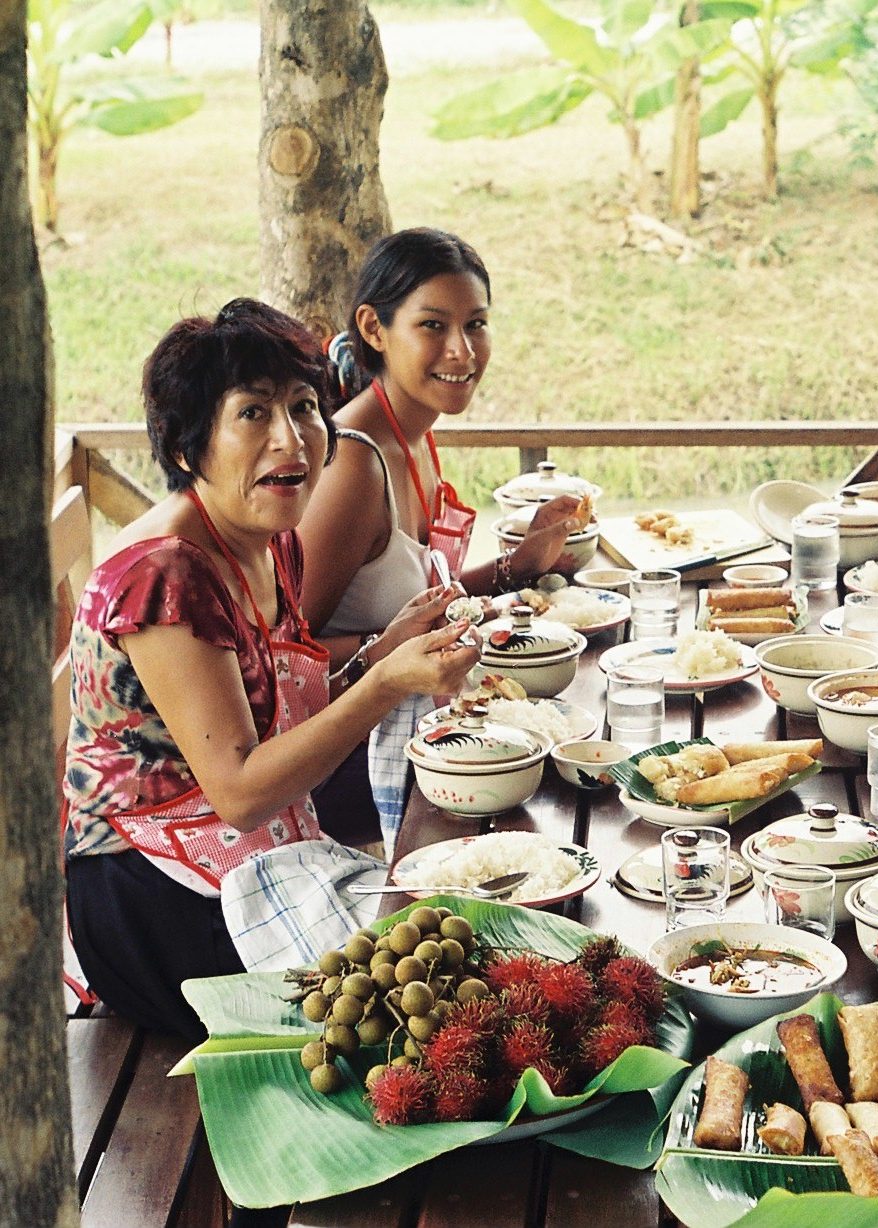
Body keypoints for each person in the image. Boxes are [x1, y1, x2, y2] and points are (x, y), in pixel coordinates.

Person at [63, 299, 481, 1040]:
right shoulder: (164, 577)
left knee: (463, 934)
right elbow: (242, 792)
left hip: (253, 853)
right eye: (253, 413)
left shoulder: (267, 534)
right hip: (148, 896)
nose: (291, 439)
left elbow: (279, 716)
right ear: (190, 447)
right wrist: (385, 683)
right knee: (419, 1007)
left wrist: (383, 650)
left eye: (305, 406)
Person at [298, 229, 584, 848]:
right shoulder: (353, 464)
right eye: (433, 326)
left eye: (476, 325)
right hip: (338, 761)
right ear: (374, 329)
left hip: (407, 718)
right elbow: (283, 655)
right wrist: (383, 651)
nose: (462, 351)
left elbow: (422, 606)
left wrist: (515, 566)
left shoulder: (416, 434)